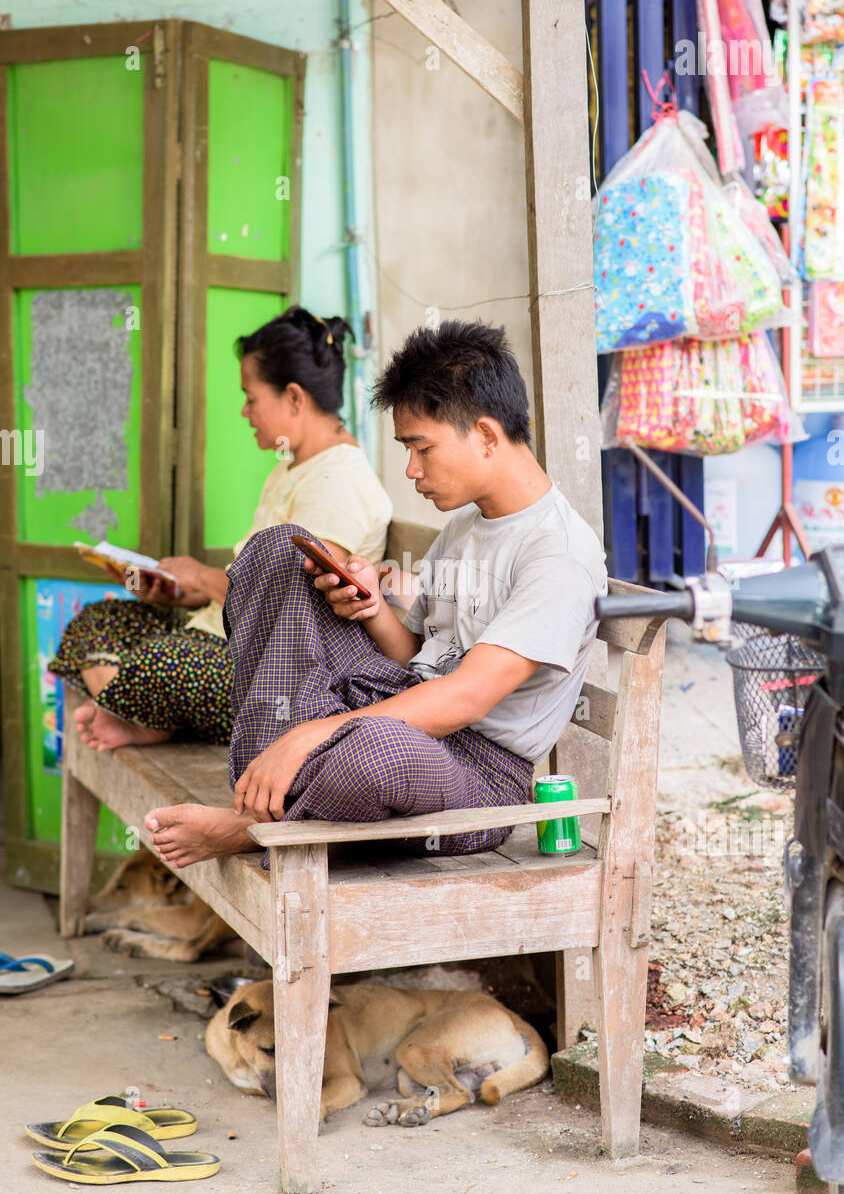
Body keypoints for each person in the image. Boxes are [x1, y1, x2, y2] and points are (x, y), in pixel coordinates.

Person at [144, 318, 608, 866]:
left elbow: (464, 697)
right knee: (278, 550)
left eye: (422, 448)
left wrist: (307, 737)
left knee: (373, 753)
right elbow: (416, 657)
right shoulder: (467, 523)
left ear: (486, 435)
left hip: (478, 771)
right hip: (399, 703)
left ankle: (252, 825)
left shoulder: (558, 555)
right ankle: (266, 802)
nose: (411, 470)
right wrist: (371, 608)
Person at [49, 307, 393, 751]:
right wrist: (176, 589)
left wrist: (201, 576)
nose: (244, 411)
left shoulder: (339, 482)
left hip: (277, 676)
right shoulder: (292, 469)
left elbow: (289, 614)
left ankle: (138, 714)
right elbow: (239, 591)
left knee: (167, 661)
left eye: (251, 398)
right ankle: (142, 712)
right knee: (100, 621)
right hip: (221, 640)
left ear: (293, 398)